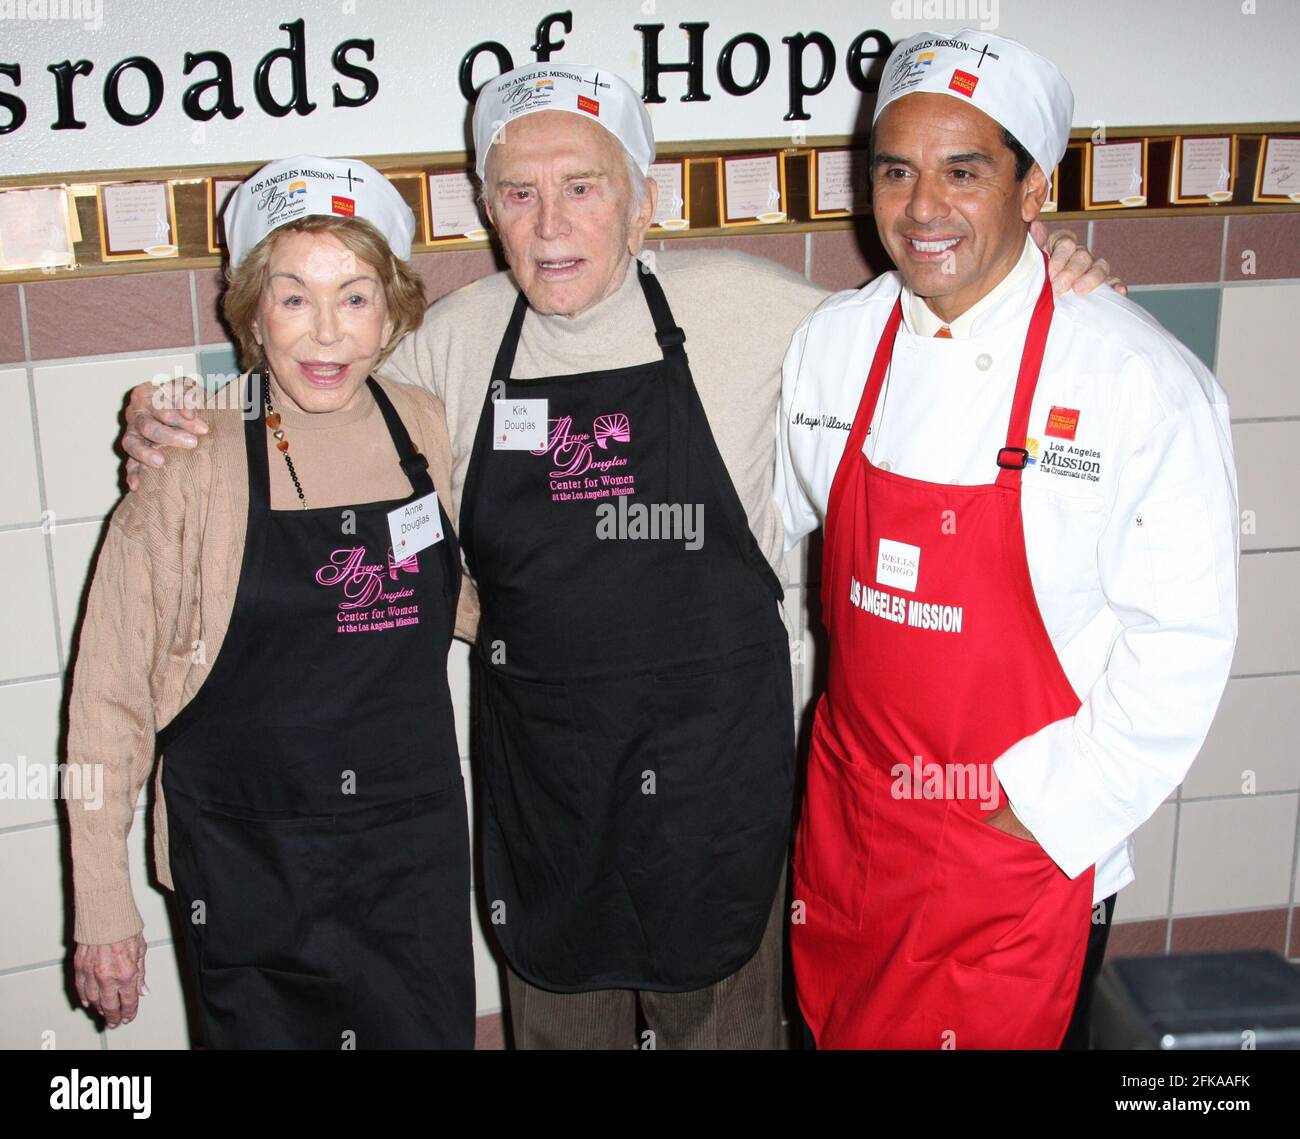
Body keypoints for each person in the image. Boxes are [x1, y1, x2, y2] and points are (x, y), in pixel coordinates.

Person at [118, 64, 1118, 1050]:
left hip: (713, 790)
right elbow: (308, 378)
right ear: (490, 210)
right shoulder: (449, 349)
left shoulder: (764, 314)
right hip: (547, 793)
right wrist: (183, 414)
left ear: (644, 202)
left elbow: (946, 315)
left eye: (582, 188)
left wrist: (1051, 274)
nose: (549, 223)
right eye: (520, 193)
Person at [777, 29, 1239, 1050]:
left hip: (1021, 836)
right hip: (857, 825)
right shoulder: (833, 346)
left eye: (963, 170)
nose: (921, 208)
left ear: (1034, 192)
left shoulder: (1132, 379)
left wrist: (1043, 809)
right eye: (894, 170)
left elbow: (1185, 642)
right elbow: (791, 542)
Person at [68, 156, 476, 1048]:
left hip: (409, 855)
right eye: (293, 297)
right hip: (250, 866)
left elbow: (460, 600)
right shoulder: (189, 453)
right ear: (251, 308)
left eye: (355, 295)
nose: (325, 332)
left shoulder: (423, 426)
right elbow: (107, 696)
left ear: (394, 308)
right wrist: (101, 899)